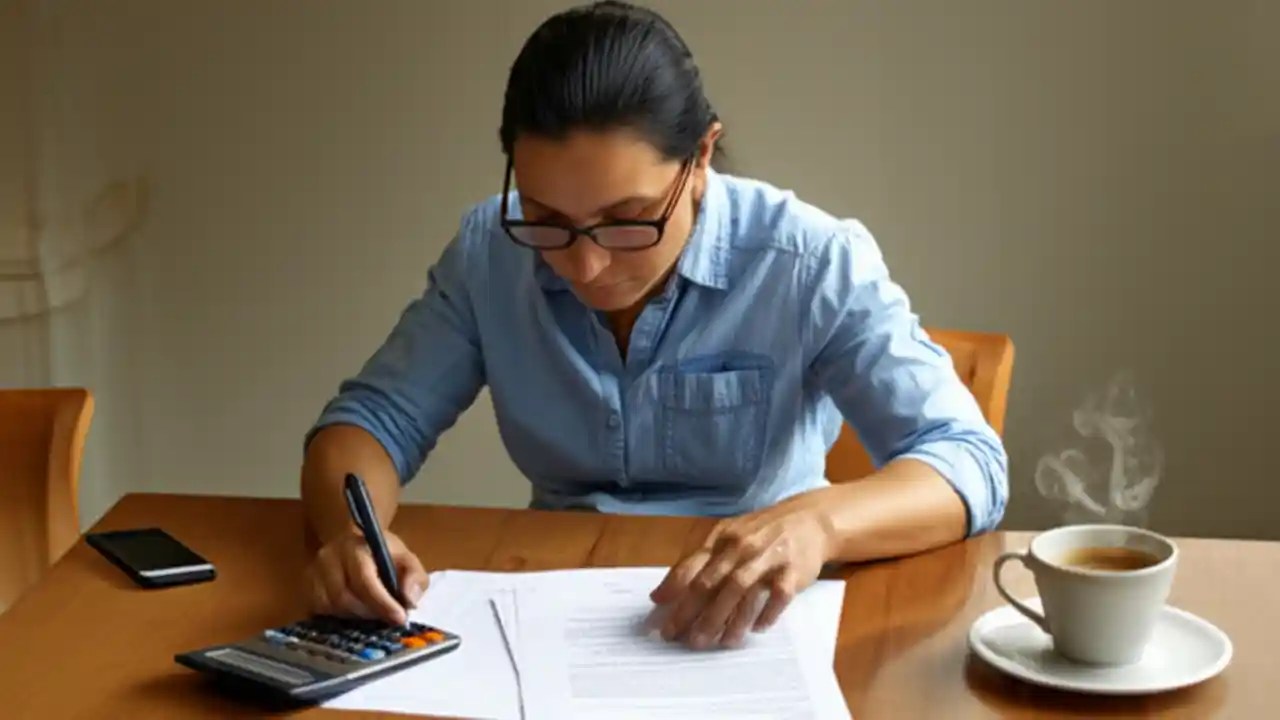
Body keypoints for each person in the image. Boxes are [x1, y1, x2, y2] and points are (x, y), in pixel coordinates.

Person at [300, 0, 1007, 650]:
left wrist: (816, 524)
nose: (586, 265)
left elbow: (966, 458)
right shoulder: (490, 253)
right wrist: (349, 537)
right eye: (547, 220)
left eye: (628, 220)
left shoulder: (808, 261)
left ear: (700, 159)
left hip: (757, 623)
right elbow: (369, 422)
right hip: (552, 617)